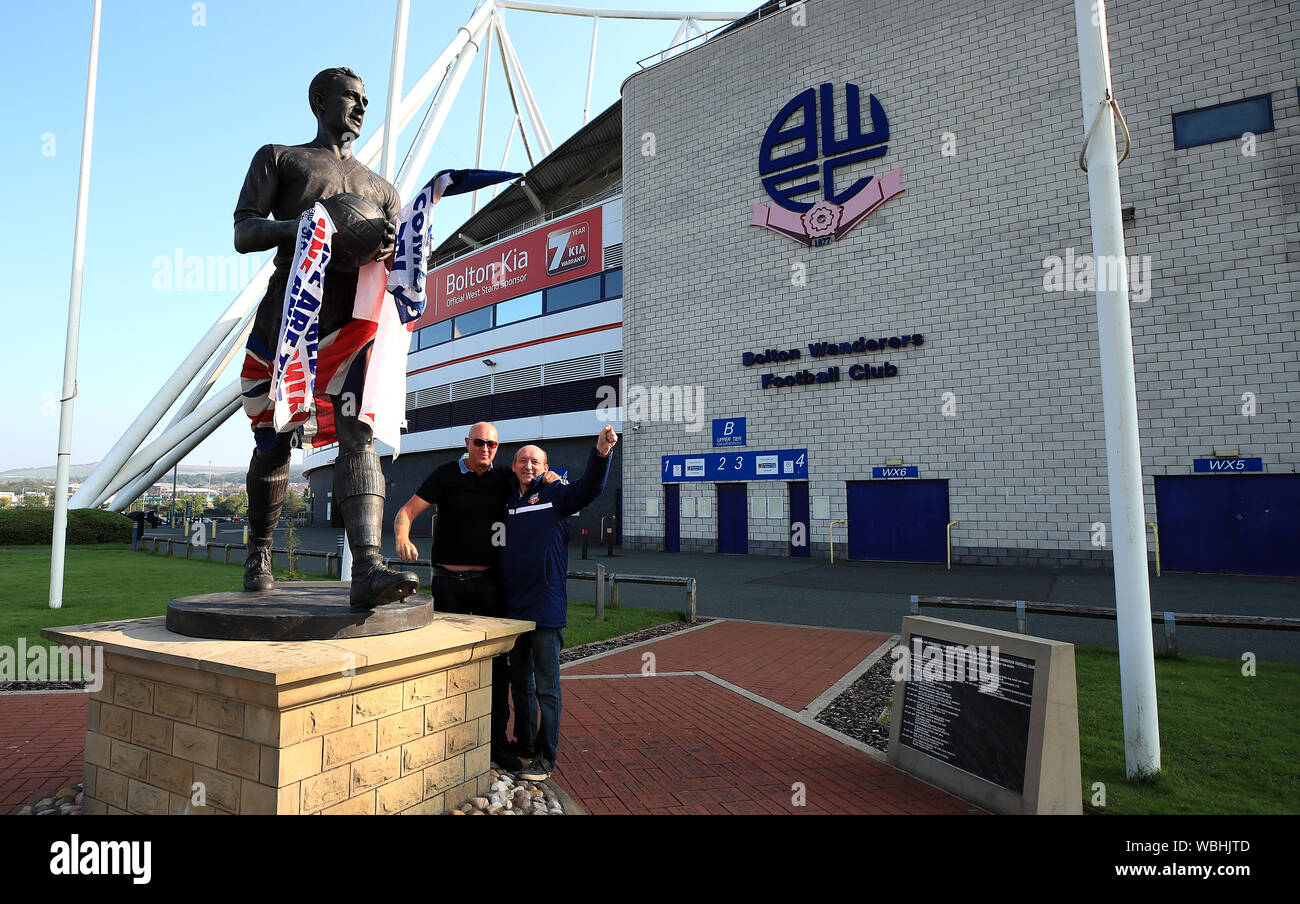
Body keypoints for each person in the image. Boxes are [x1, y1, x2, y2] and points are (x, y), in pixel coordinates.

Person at [233, 66, 417, 608]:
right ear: (319, 100)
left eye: (366, 100)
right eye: (350, 97)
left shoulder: (382, 189)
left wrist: (387, 248)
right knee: (274, 441)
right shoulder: (280, 157)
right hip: (288, 317)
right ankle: (259, 552)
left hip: (352, 321)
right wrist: (307, 226)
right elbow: (244, 230)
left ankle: (368, 568)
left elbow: (399, 261)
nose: (361, 108)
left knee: (358, 433)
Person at [394, 422, 553, 771]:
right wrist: (403, 538)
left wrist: (551, 477)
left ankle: (496, 743)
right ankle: (444, 737)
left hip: (489, 587)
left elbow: (535, 480)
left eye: (493, 445)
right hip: (448, 585)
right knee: (447, 661)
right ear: (467, 443)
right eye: (479, 442)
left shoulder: (505, 479)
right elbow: (405, 513)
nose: (486, 449)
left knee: (497, 668)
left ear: (499, 450)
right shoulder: (445, 474)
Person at [500, 425, 617, 782]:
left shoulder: (556, 494)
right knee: (520, 684)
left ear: (546, 466)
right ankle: (525, 742)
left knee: (547, 688)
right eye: (522, 460)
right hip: (512, 611)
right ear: (514, 465)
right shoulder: (506, 501)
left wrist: (600, 454)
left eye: (536, 460)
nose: (528, 465)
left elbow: (590, 488)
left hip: (546, 610)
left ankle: (546, 756)